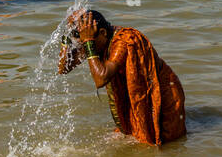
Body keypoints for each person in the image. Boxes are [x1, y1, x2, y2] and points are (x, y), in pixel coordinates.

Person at [58, 9, 186, 146]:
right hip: (143, 94)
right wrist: (68, 35)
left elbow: (101, 79)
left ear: (103, 33)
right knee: (130, 138)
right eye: (84, 43)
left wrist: (89, 42)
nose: (87, 47)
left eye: (88, 42)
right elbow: (63, 68)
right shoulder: (96, 41)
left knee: (157, 145)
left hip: (163, 94)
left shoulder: (124, 41)